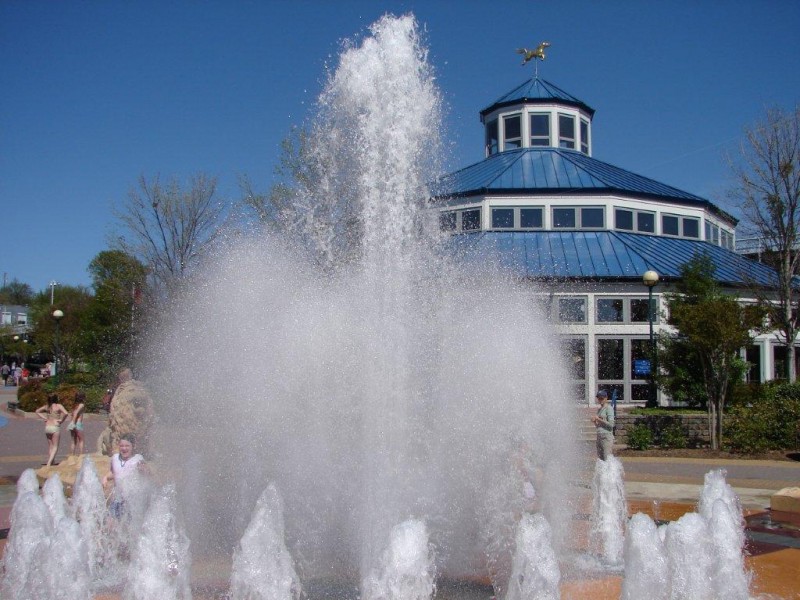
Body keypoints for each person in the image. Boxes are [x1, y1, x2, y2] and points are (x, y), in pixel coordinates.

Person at [101, 435, 147, 519]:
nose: (124, 448)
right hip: (117, 499)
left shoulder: (138, 459)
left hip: (132, 501)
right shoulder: (115, 458)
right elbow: (113, 472)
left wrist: (144, 470)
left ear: (133, 446)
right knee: (110, 524)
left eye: (127, 446)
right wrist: (106, 478)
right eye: (121, 446)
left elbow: (147, 475)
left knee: (128, 527)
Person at [35, 394, 69, 466]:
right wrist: (61, 420)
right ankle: (49, 462)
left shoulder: (47, 406)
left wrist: (44, 418)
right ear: (56, 399)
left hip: (47, 427)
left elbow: (37, 411)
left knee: (50, 446)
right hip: (55, 427)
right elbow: (66, 413)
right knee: (55, 446)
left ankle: (52, 461)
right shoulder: (58, 406)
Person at [592, 389, 615, 461]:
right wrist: (595, 422)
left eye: (602, 398)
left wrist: (599, 419)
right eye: (599, 398)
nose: (600, 400)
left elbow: (611, 424)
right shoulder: (599, 409)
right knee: (600, 459)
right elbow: (598, 426)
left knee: (607, 458)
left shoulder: (609, 408)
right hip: (599, 435)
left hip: (606, 436)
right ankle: (602, 472)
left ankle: (610, 472)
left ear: (606, 398)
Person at [67, 391, 86, 455]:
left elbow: (72, 413)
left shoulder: (74, 405)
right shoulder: (81, 405)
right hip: (77, 424)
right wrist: (73, 422)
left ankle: (71, 455)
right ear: (83, 398)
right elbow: (75, 413)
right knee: (81, 440)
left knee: (73, 441)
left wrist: (71, 422)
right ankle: (81, 455)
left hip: (73, 423)